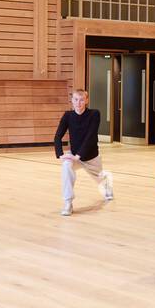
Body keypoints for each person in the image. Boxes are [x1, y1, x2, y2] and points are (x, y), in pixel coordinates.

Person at [54, 88, 113, 216]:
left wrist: (78, 156)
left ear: (86, 100)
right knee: (66, 166)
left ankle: (107, 185)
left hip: (91, 157)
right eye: (76, 100)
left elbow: (90, 137)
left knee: (100, 178)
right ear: (72, 101)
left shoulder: (94, 114)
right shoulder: (67, 116)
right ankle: (68, 202)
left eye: (81, 100)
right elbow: (57, 136)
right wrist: (61, 155)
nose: (78, 103)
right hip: (75, 156)